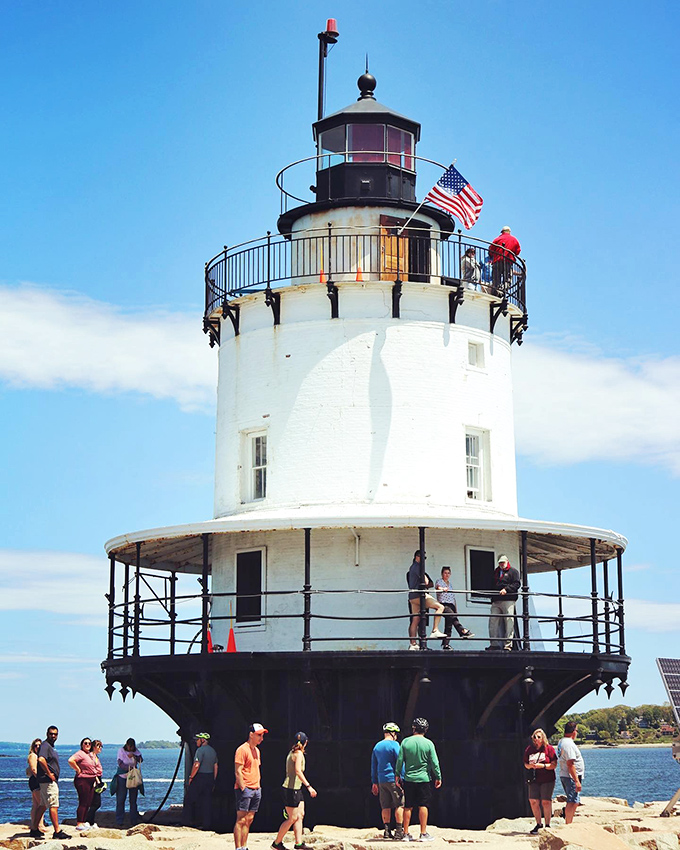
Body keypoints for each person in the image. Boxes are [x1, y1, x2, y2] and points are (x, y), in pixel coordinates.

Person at [395, 718, 441, 842]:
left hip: (409, 778)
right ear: (425, 730)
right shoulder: (429, 743)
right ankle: (423, 833)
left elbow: (400, 760)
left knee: (408, 806)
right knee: (423, 804)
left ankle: (405, 834)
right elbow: (434, 762)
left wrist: (397, 774)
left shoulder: (405, 742)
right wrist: (438, 776)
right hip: (424, 779)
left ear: (414, 728)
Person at [272, 731, 317, 850]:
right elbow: (298, 770)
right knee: (292, 818)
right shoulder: (299, 754)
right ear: (305, 742)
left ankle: (299, 843)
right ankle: (277, 843)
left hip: (297, 788)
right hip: (291, 789)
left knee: (300, 815)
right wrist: (308, 786)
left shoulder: (292, 752)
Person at [234, 722, 267, 850]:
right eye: (259, 735)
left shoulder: (257, 751)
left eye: (262, 735)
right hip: (246, 789)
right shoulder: (242, 750)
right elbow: (238, 770)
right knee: (241, 819)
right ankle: (238, 847)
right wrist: (243, 787)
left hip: (256, 788)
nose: (261, 738)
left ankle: (244, 846)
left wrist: (257, 786)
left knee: (249, 819)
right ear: (251, 734)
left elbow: (256, 768)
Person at [371, 722, 405, 840]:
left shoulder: (377, 746)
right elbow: (400, 762)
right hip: (393, 779)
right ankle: (399, 832)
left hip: (381, 780)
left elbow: (373, 765)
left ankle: (386, 831)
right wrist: (402, 777)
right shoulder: (395, 745)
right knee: (400, 804)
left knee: (385, 806)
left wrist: (374, 782)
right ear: (393, 733)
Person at [407, 551, 446, 650]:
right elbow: (427, 582)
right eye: (422, 557)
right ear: (417, 557)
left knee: (415, 619)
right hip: (420, 596)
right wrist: (424, 575)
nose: (424, 560)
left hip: (412, 597)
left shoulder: (411, 568)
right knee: (440, 607)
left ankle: (413, 644)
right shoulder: (419, 567)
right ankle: (435, 630)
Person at [37, 725, 70, 840]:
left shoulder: (49, 746)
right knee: (53, 805)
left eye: (55, 734)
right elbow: (41, 759)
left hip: (45, 781)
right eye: (51, 734)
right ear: (47, 734)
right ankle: (57, 831)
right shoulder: (45, 746)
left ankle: (34, 829)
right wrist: (49, 773)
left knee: (43, 805)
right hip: (48, 781)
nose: (53, 736)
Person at [524, 729, 557, 833]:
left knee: (546, 801)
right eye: (535, 737)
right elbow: (525, 763)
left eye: (539, 737)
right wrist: (530, 766)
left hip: (547, 779)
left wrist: (542, 766)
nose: (536, 739)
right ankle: (538, 824)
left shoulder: (549, 749)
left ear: (543, 738)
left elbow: (554, 764)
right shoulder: (529, 749)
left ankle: (547, 825)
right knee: (533, 801)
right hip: (534, 779)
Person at [434, 567, 474, 649]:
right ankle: (463, 630)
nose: (447, 575)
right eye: (445, 573)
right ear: (442, 574)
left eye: (448, 573)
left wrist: (455, 608)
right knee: (453, 618)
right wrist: (443, 589)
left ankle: (445, 644)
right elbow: (437, 587)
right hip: (443, 605)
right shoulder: (439, 581)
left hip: (451, 605)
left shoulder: (450, 584)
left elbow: (453, 597)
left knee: (449, 624)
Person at [487, 554, 520, 651]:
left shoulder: (513, 572)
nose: (501, 564)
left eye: (503, 562)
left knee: (509, 621)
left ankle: (508, 645)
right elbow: (492, 584)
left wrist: (506, 589)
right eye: (500, 562)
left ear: (507, 562)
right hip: (496, 600)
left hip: (508, 599)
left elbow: (517, 583)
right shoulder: (496, 572)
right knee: (493, 621)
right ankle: (494, 644)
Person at [187, 732, 218, 830]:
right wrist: (214, 779)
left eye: (197, 740)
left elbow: (196, 764)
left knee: (190, 799)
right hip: (209, 777)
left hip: (200, 777)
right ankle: (206, 824)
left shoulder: (200, 750)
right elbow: (216, 766)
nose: (196, 742)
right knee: (207, 801)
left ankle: (189, 822)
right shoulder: (213, 751)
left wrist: (191, 777)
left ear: (202, 740)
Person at [68, 737, 101, 830]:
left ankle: (84, 822)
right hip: (83, 780)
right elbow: (71, 760)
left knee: (88, 802)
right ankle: (79, 823)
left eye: (89, 743)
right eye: (85, 743)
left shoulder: (89, 755)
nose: (87, 745)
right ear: (82, 745)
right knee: (83, 802)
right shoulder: (80, 754)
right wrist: (78, 769)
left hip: (91, 780)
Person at [557, 722, 584, 824]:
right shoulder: (568, 744)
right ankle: (568, 823)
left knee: (574, 800)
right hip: (570, 776)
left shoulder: (562, 742)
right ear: (573, 732)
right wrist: (576, 780)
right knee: (572, 801)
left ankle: (569, 821)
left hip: (567, 775)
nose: (576, 733)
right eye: (576, 730)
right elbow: (570, 763)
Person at [115, 738, 143, 827]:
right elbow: (120, 763)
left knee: (133, 799)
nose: (130, 748)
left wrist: (134, 756)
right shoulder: (121, 751)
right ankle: (119, 820)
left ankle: (133, 819)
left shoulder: (136, 751)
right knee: (121, 799)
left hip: (133, 778)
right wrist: (129, 769)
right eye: (129, 746)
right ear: (126, 745)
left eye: (132, 746)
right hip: (122, 777)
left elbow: (141, 760)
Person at [488, 226, 521, 294]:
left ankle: (496, 291)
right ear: (509, 232)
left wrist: (493, 256)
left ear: (502, 232)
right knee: (507, 279)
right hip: (508, 261)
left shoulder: (497, 239)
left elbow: (491, 250)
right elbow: (517, 251)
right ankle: (504, 291)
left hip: (497, 261)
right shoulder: (514, 240)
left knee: (496, 278)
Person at [27, 737, 47, 838]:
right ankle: (38, 825)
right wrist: (43, 779)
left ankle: (36, 824)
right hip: (36, 782)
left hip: (37, 781)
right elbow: (34, 770)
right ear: (33, 747)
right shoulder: (33, 756)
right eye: (36, 745)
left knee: (36, 804)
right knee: (41, 803)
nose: (38, 747)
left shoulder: (39, 756)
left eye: (40, 745)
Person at [85, 741, 105, 828]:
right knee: (95, 802)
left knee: (95, 802)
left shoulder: (96, 757)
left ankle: (91, 821)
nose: (100, 748)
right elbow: (92, 769)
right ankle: (88, 821)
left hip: (98, 778)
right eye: (98, 746)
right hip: (94, 779)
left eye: (101, 746)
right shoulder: (91, 756)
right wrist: (96, 781)